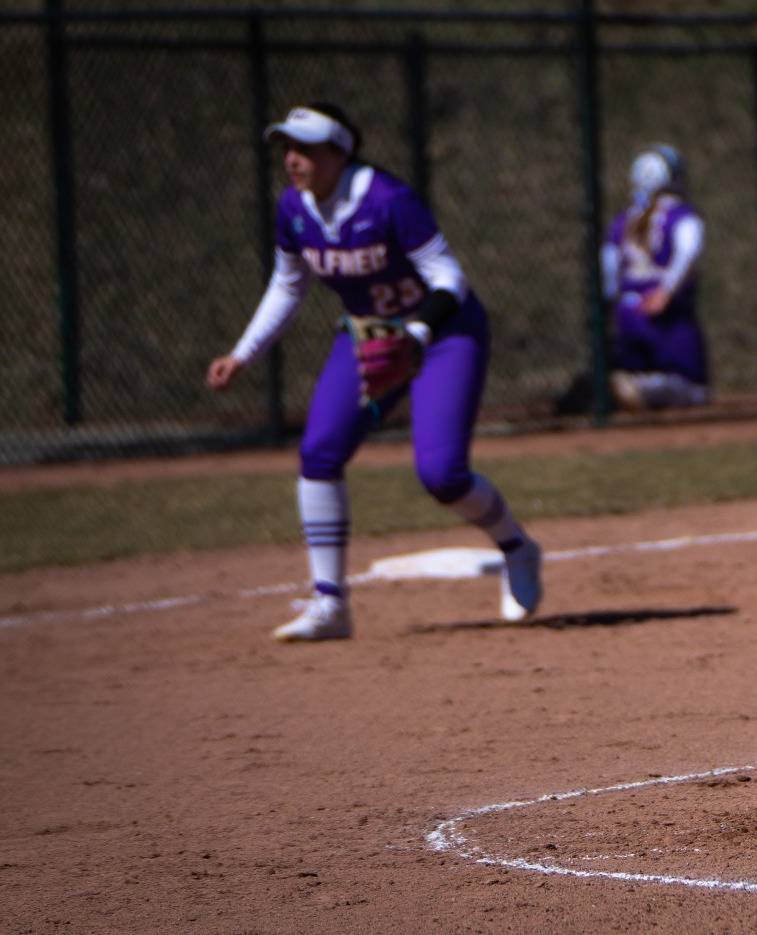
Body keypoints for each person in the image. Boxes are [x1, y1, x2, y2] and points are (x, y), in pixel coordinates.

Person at [206, 103, 543, 641]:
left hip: (443, 335)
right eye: (288, 148)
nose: (292, 160)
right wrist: (243, 352)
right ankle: (330, 605)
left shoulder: (388, 200)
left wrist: (417, 335)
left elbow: (448, 279)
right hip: (368, 336)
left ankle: (517, 547)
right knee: (319, 454)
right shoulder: (293, 207)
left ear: (340, 152)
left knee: (442, 475)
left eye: (307, 149)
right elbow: (288, 285)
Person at [602, 145, 711, 411]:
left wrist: (611, 301)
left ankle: (626, 387)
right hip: (664, 313)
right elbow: (689, 251)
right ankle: (646, 391)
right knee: (694, 389)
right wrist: (667, 289)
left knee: (635, 369)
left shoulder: (623, 220)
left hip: (627, 311)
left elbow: (608, 262)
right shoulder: (680, 216)